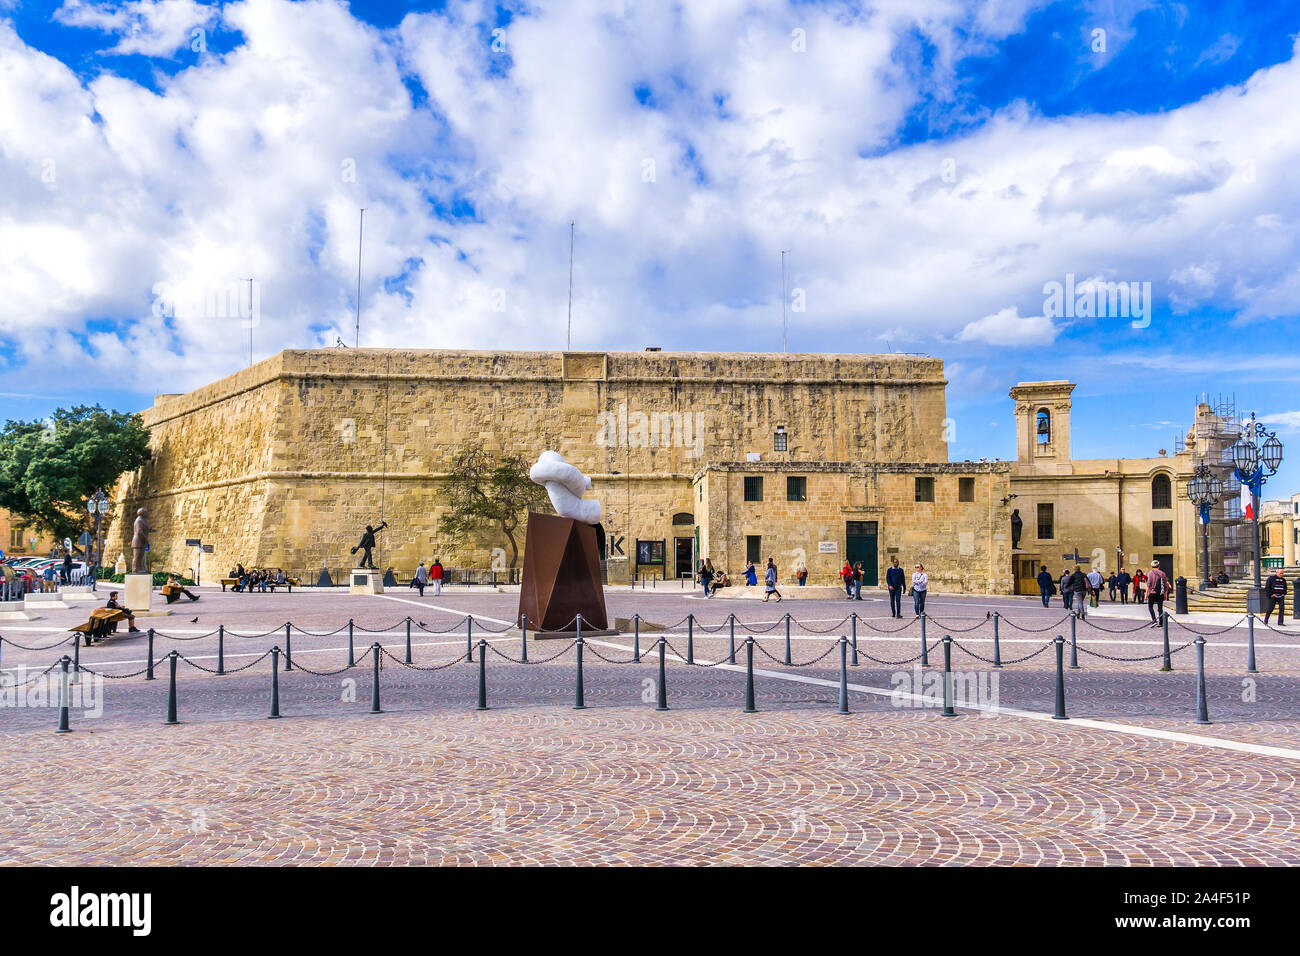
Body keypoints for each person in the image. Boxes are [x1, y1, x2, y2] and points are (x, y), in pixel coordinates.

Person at [1144, 561, 1169, 628]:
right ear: (1159, 566)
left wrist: (1146, 594)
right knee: (1160, 608)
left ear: (1152, 566)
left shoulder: (1150, 573)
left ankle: (1154, 620)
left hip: (1152, 592)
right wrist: (1165, 593)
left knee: (1150, 606)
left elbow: (1148, 584)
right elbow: (1165, 584)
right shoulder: (1162, 573)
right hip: (1160, 593)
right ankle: (1161, 623)